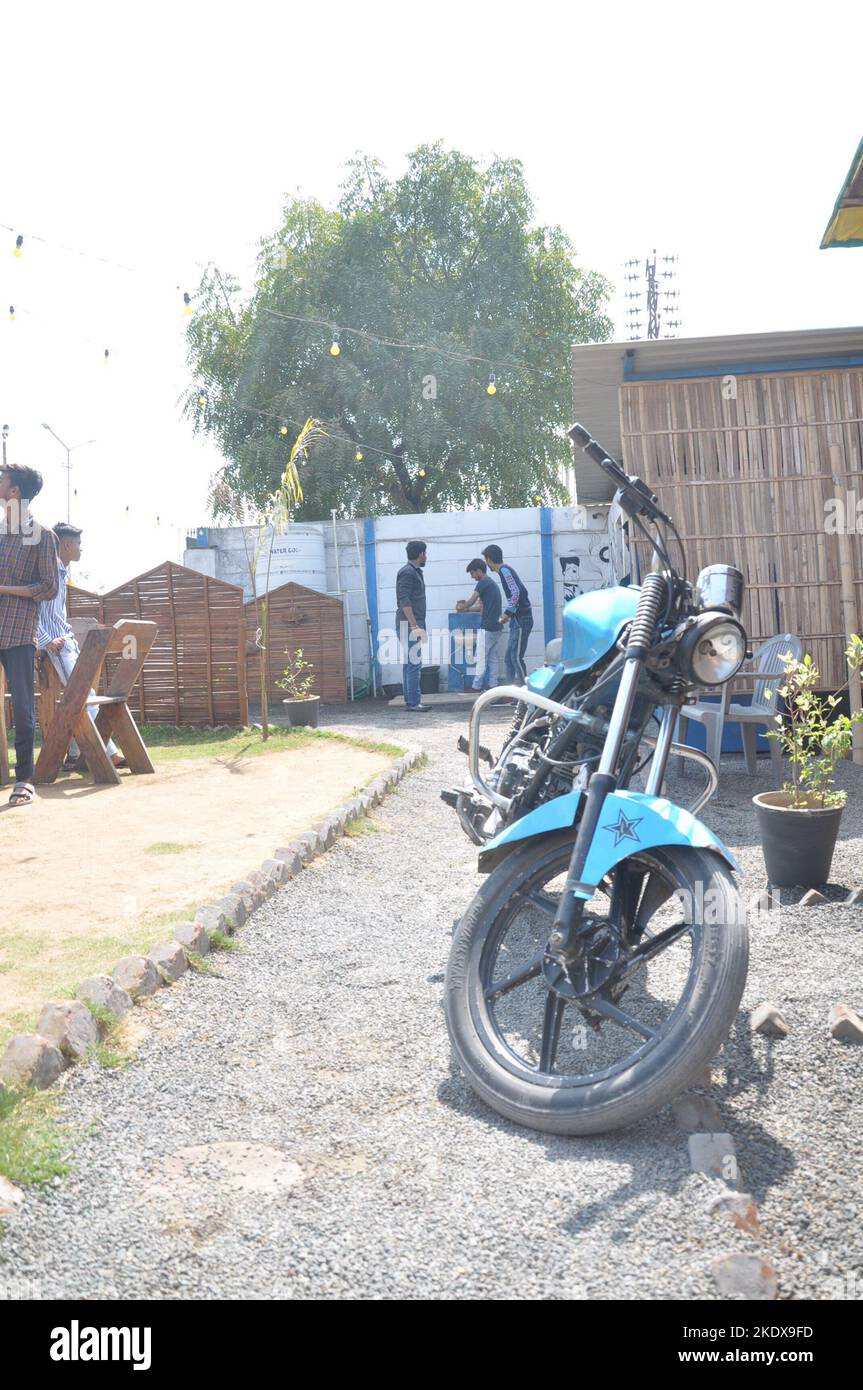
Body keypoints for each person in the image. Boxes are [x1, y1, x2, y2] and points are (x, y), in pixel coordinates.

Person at [37, 522, 124, 770]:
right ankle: (110, 752)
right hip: (57, 646)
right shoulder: (49, 570)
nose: (80, 549)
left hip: (66, 641)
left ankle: (76, 755)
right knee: (82, 695)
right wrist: (45, 641)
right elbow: (31, 610)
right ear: (66, 545)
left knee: (81, 696)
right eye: (78, 544)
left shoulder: (61, 571)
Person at [0, 465, 58, 806]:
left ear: (15, 492)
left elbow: (50, 586)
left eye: (2, 480)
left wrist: (6, 589)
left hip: (19, 632)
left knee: (22, 707)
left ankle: (24, 779)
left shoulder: (40, 534)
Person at [482, 544, 534, 685]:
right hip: (518, 619)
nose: (487, 564)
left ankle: (525, 693)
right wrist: (509, 615)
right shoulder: (505, 571)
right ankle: (511, 693)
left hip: (522, 619)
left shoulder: (504, 571)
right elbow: (516, 593)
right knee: (509, 658)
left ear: (489, 559)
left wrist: (507, 613)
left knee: (516, 657)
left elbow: (516, 592)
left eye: (486, 560)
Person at [456, 558, 504, 691]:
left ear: (478, 571)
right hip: (496, 627)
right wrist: (467, 609)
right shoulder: (490, 583)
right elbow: (481, 606)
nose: (472, 577)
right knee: (493, 658)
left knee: (481, 657)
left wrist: (462, 608)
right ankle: (493, 685)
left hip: (487, 626)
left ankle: (476, 686)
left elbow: (472, 601)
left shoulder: (483, 583)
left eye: (472, 573)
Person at [395, 539, 428, 712]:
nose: (426, 557)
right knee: (414, 662)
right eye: (425, 553)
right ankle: (414, 702)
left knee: (410, 662)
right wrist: (414, 626)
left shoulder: (413, 572)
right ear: (421, 554)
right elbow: (404, 600)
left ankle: (411, 701)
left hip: (410, 623)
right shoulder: (408, 572)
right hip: (409, 624)